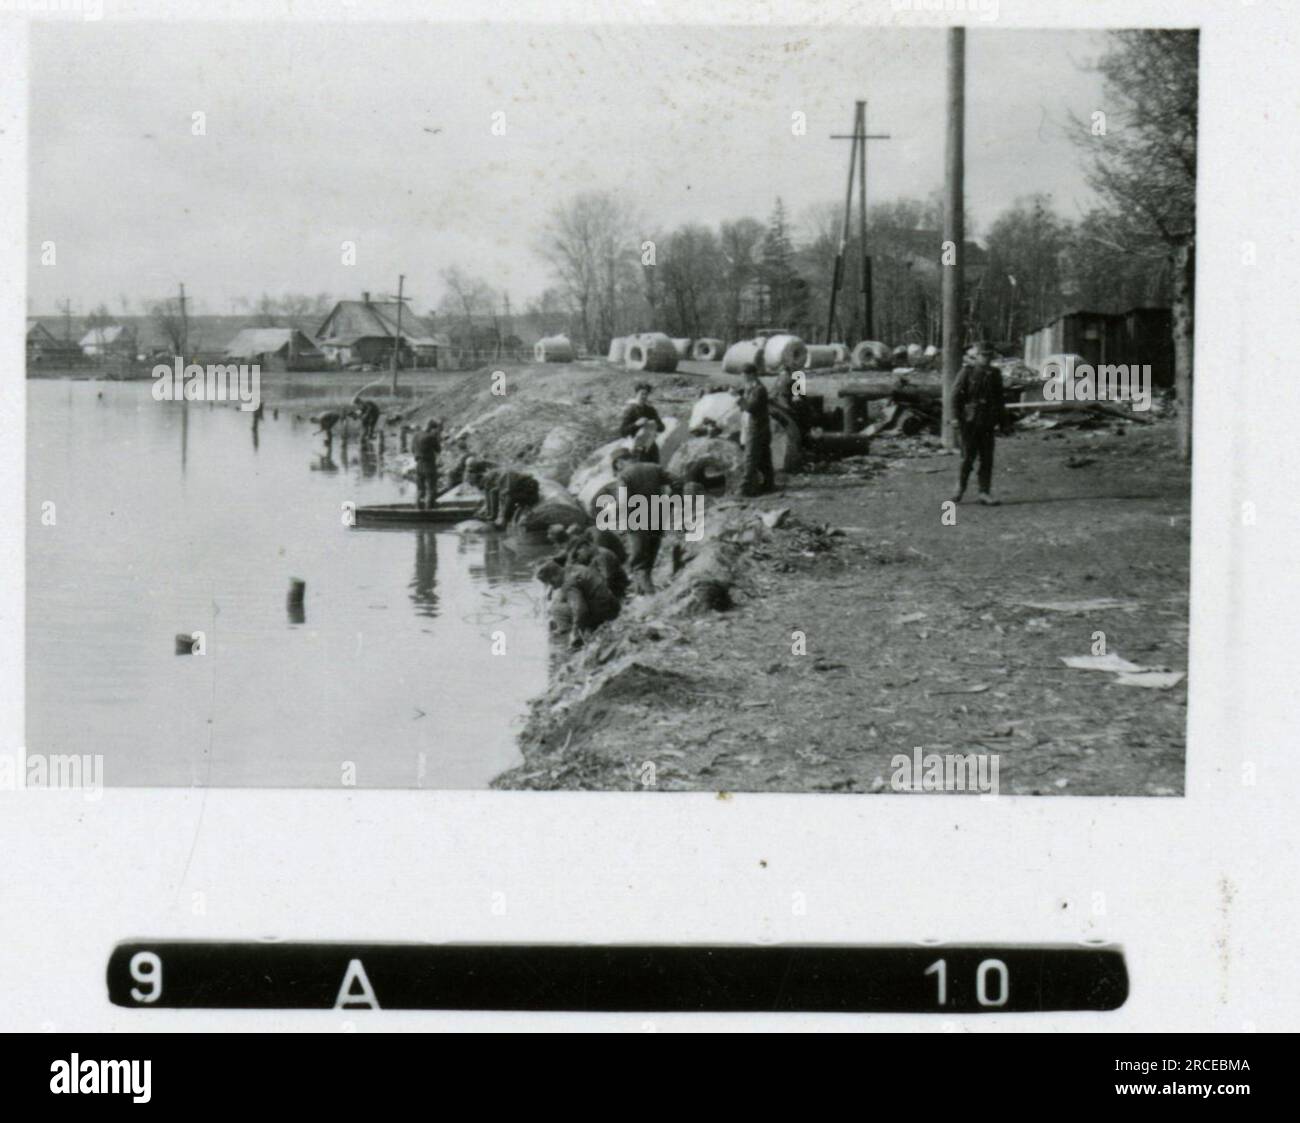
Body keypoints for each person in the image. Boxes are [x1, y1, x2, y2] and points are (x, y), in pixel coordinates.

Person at [612, 448, 676, 594]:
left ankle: (650, 596)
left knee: (639, 561)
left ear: (619, 463)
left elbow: (622, 502)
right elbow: (677, 482)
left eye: (616, 466)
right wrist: (670, 502)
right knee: (650, 554)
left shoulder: (624, 476)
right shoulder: (654, 467)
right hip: (658, 516)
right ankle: (640, 590)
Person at [951, 341, 1007, 506]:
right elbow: (955, 397)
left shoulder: (995, 374)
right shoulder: (967, 372)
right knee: (967, 457)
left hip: (988, 421)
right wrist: (955, 417)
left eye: (990, 355)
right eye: (984, 355)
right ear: (976, 356)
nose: (987, 359)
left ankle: (984, 492)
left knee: (987, 458)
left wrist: (1004, 423)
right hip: (970, 421)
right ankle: (959, 489)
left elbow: (999, 400)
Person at [535, 557, 621, 648]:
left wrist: (575, 634)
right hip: (612, 605)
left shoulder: (568, 584)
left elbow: (580, 610)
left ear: (554, 576)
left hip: (605, 613)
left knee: (556, 609)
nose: (554, 587)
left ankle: (567, 637)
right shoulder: (574, 569)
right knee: (560, 602)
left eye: (551, 583)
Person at [738, 363, 775, 496]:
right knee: (764, 458)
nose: (742, 377)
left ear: (751, 374)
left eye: (744, 375)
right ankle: (769, 485)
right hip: (759, 426)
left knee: (750, 456)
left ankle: (745, 488)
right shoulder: (752, 387)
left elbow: (750, 408)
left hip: (757, 427)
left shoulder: (759, 389)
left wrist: (738, 399)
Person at [471, 463, 540, 529]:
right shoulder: (498, 480)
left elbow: (509, 491)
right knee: (494, 491)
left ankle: (504, 522)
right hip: (519, 491)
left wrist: (504, 515)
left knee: (509, 496)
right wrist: (491, 514)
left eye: (486, 483)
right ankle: (493, 516)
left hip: (529, 492)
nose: (487, 486)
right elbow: (493, 491)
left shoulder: (507, 475)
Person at [619, 382, 666, 462]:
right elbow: (623, 431)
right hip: (635, 446)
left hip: (650, 445)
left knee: (653, 469)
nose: (644, 396)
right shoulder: (630, 410)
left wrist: (655, 423)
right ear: (636, 394)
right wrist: (636, 424)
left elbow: (662, 428)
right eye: (642, 394)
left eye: (646, 394)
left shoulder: (650, 410)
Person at [411, 419, 442, 509]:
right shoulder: (431, 437)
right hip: (429, 465)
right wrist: (437, 437)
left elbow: (412, 450)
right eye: (435, 429)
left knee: (420, 489)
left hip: (418, 464)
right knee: (431, 489)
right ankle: (429, 511)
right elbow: (438, 449)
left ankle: (417, 509)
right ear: (432, 428)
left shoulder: (416, 435)